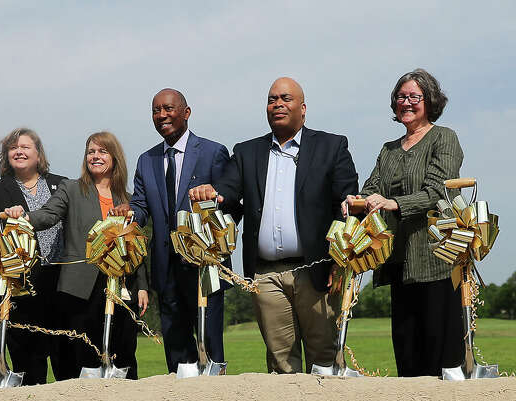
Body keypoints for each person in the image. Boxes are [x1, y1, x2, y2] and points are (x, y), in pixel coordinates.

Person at [190, 77, 358, 374]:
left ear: (303, 109)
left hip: (316, 273)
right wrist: (212, 194)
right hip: (265, 276)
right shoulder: (246, 152)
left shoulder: (332, 147)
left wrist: (339, 262)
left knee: (325, 360)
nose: (277, 104)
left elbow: (346, 206)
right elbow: (226, 192)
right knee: (281, 365)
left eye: (285, 98)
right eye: (271, 99)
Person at [356, 69, 465, 377]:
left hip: (435, 262)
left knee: (438, 357)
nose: (406, 103)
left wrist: (394, 204)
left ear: (429, 101)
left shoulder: (444, 138)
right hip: (398, 263)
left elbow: (437, 190)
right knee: (406, 356)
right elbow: (371, 189)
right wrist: (356, 202)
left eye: (414, 97)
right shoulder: (388, 149)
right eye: (401, 97)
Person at [26, 132, 149, 378]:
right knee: (83, 355)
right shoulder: (70, 188)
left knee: (124, 351)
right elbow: (49, 214)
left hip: (121, 286)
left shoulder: (128, 199)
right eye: (91, 151)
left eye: (102, 151)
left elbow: (137, 246)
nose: (95, 156)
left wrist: (143, 286)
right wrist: (24, 218)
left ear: (114, 157)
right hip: (80, 288)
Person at [126, 89, 230, 373]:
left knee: (209, 344)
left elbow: (230, 202)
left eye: (168, 109)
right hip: (166, 268)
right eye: (156, 110)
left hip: (204, 267)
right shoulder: (146, 160)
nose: (162, 115)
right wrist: (129, 214)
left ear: (186, 112)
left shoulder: (212, 152)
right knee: (176, 351)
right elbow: (140, 206)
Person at [0, 129, 69, 384]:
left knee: (66, 355)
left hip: (60, 281)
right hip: (22, 284)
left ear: (38, 154)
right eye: (13, 148)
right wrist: (5, 217)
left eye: (26, 147)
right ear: (6, 156)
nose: (19, 151)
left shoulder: (61, 184)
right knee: (28, 357)